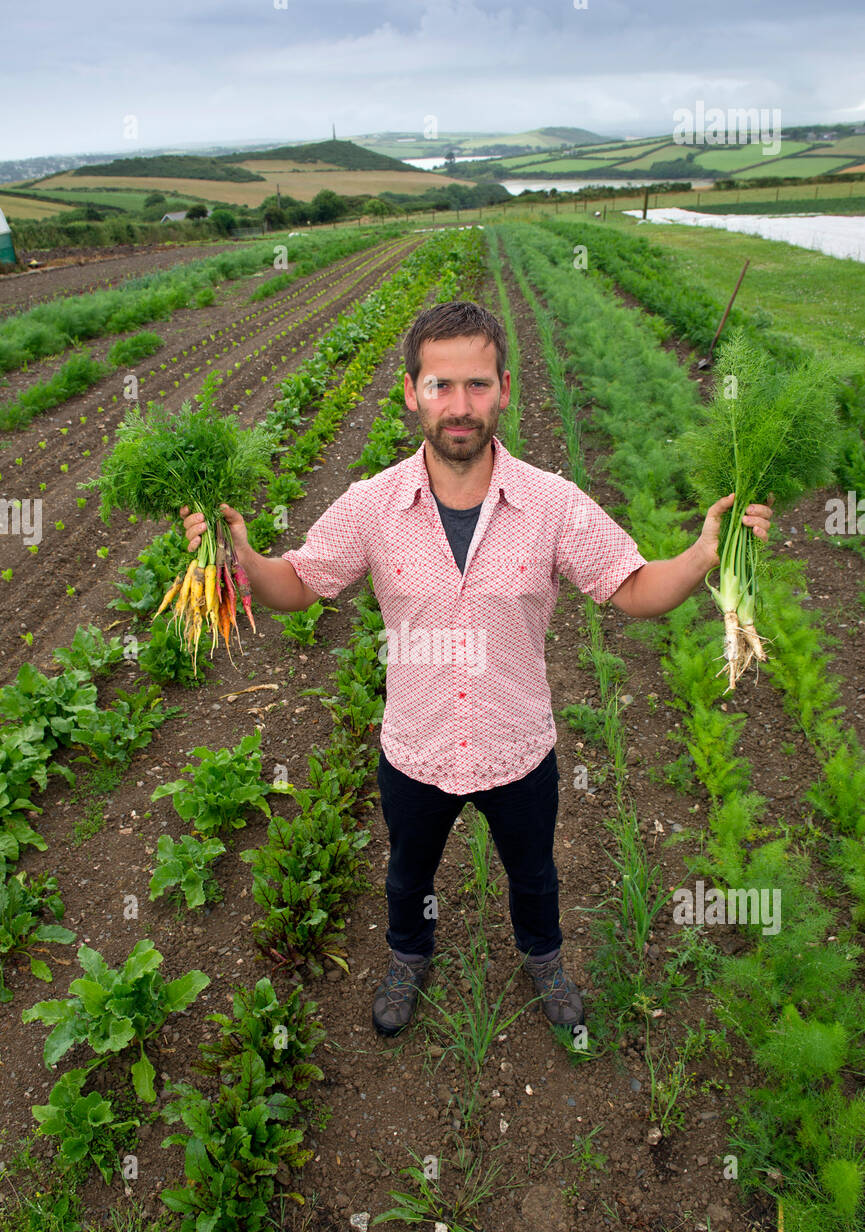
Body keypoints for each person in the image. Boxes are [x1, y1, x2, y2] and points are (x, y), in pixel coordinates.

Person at [181, 300, 773, 1038]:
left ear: (503, 388)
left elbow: (631, 588)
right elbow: (297, 586)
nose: (459, 406)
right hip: (416, 744)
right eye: (440, 385)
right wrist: (240, 554)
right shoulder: (371, 505)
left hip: (517, 743)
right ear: (410, 391)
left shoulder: (552, 504)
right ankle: (407, 954)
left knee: (533, 874)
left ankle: (543, 958)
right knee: (407, 874)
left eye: (477, 385)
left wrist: (703, 556)